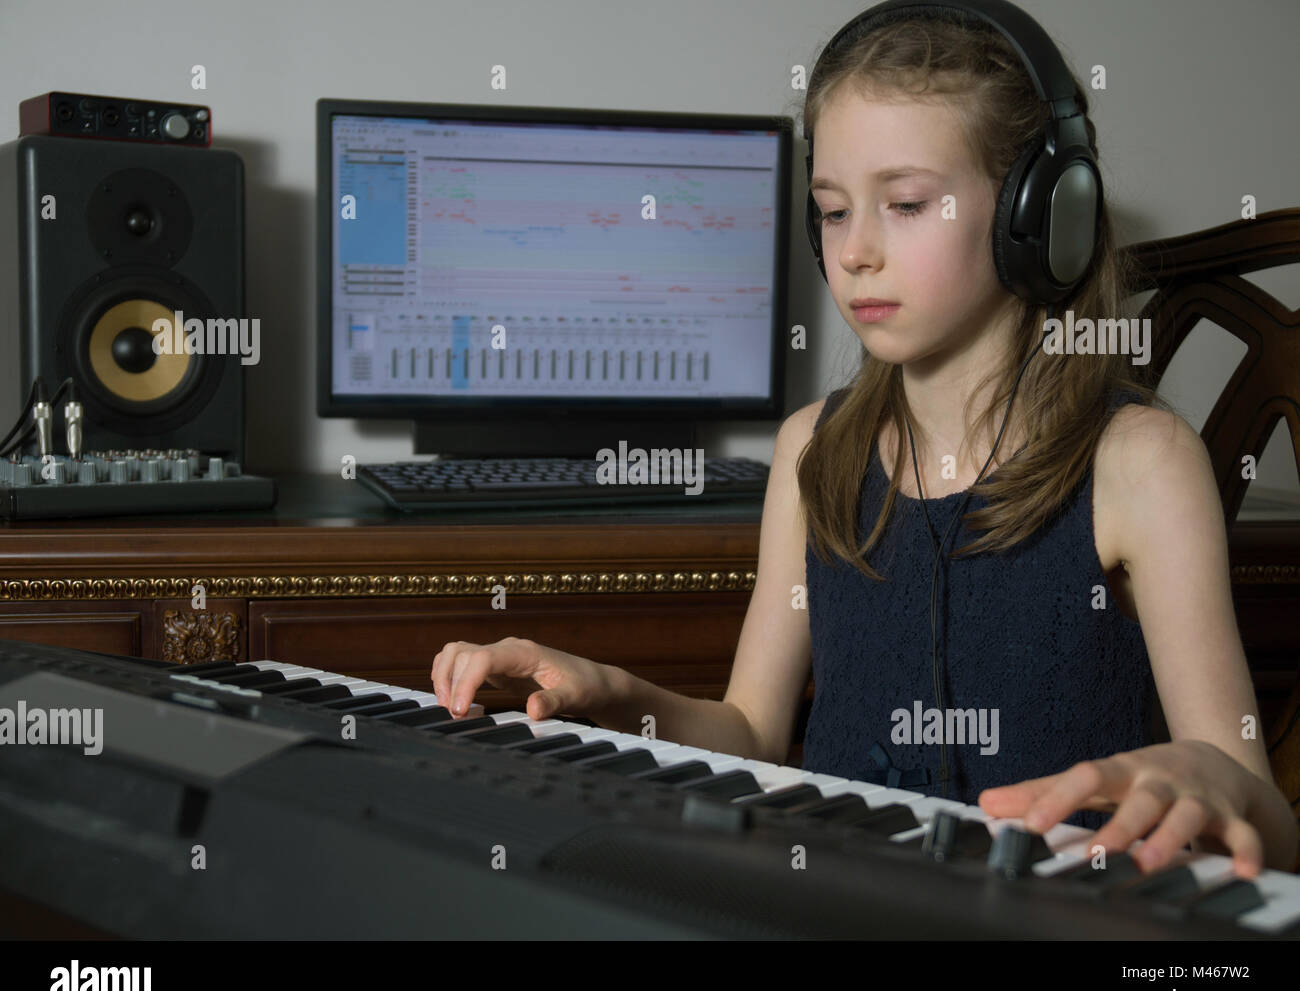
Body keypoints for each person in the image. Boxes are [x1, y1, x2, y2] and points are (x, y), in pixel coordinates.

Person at [430, 7, 1297, 877]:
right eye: (834, 211)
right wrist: (617, 697)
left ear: (1042, 213)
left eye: (908, 204)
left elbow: (1266, 822)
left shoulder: (1142, 462)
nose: (856, 252)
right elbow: (752, 737)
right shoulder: (812, 449)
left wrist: (1214, 782)